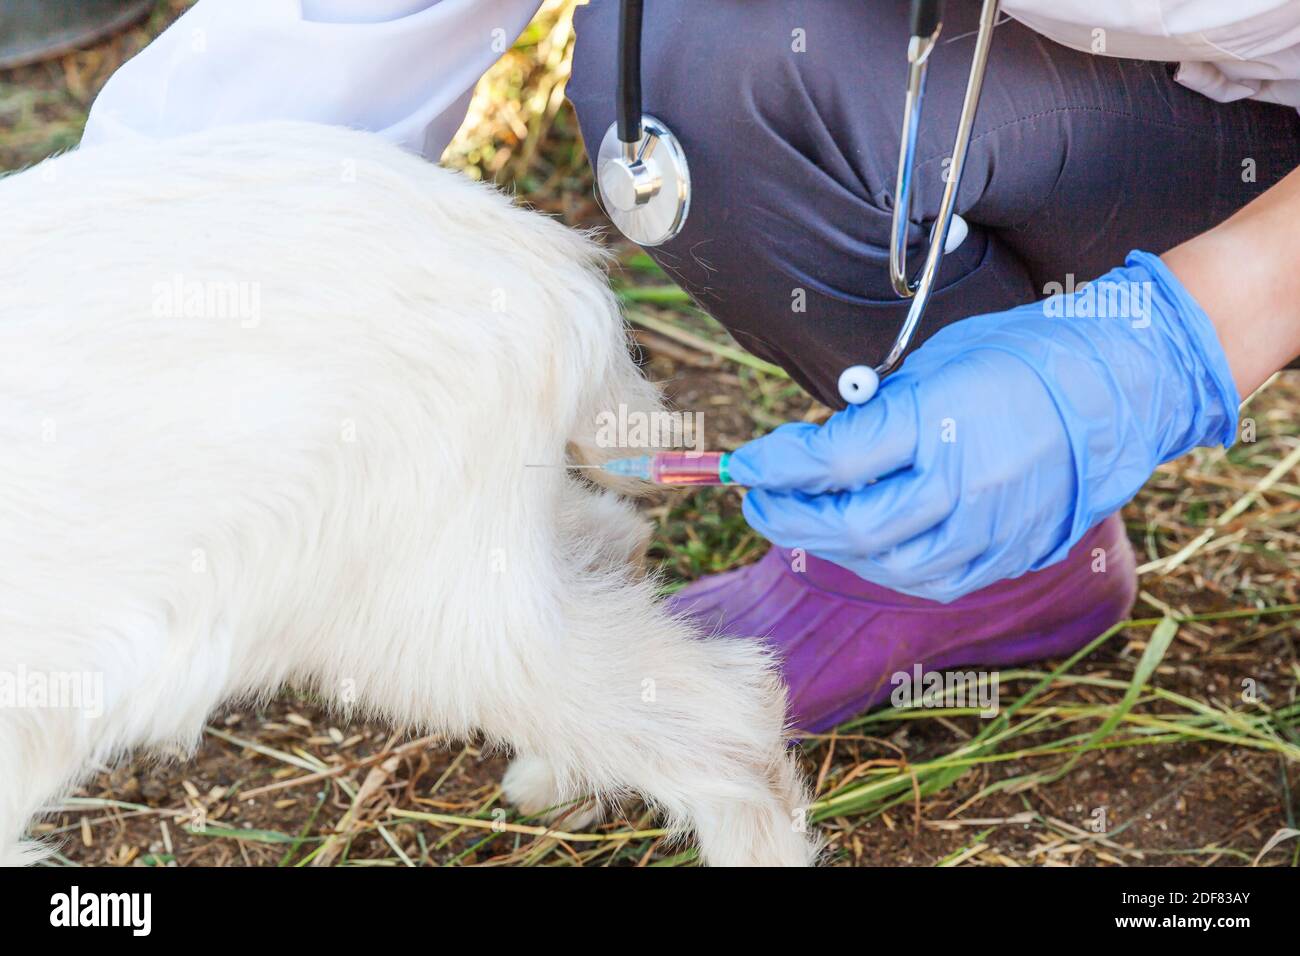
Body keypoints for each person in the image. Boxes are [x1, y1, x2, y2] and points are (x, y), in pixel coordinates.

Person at [82, 0, 1300, 731]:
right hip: (1081, 69)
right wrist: (94, 314)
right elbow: (333, 36)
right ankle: (981, 558)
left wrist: (1180, 337)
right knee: (696, 55)